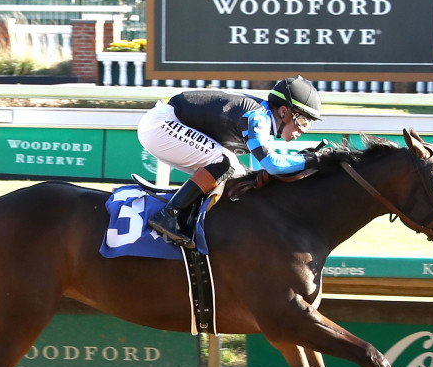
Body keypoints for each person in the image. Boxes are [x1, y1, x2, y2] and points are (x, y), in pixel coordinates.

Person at [137, 74, 323, 248]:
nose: (304, 129)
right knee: (225, 162)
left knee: (238, 174)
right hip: (161, 125)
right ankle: (169, 215)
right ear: (283, 111)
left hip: (165, 125)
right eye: (303, 120)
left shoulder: (264, 120)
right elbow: (272, 165)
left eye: (309, 123)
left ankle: (194, 219)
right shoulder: (258, 118)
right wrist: (314, 160)